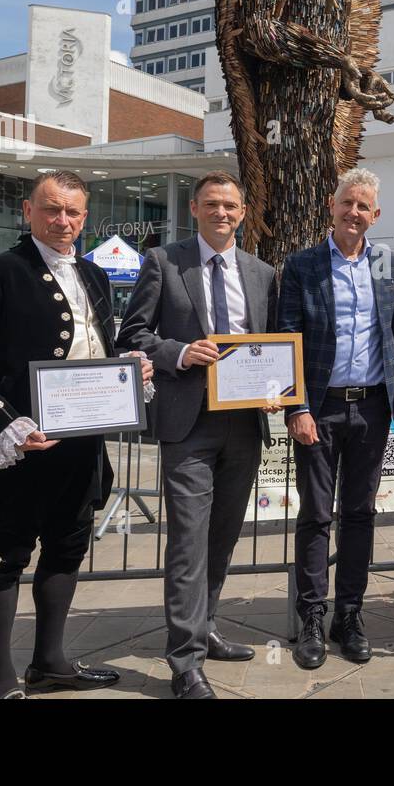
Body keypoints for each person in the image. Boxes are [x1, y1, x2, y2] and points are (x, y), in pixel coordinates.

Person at [0, 170, 153, 699]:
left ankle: (50, 661)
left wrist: (125, 369)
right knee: (8, 554)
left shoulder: (96, 275)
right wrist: (2, 424)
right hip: (21, 443)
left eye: (74, 212)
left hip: (81, 441)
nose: (63, 221)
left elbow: (91, 349)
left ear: (85, 217)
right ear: (28, 211)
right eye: (52, 209)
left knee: (67, 547)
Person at [116, 171, 280, 700]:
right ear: (194, 209)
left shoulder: (262, 272)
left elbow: (274, 344)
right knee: (188, 539)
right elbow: (133, 334)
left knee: (223, 535)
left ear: (243, 211)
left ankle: (205, 626)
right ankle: (184, 661)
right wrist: (180, 353)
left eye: (231, 205)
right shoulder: (164, 262)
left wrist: (281, 385)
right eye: (212, 204)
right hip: (188, 423)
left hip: (244, 423)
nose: (223, 213)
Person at [277, 169, 394, 669]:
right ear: (332, 206)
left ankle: (348, 616)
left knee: (360, 514)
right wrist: (298, 406)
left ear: (376, 215)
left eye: (364, 206)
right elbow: (285, 333)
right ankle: (311, 615)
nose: (355, 212)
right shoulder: (302, 265)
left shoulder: (389, 267)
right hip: (321, 407)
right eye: (347, 203)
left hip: (373, 407)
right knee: (315, 515)